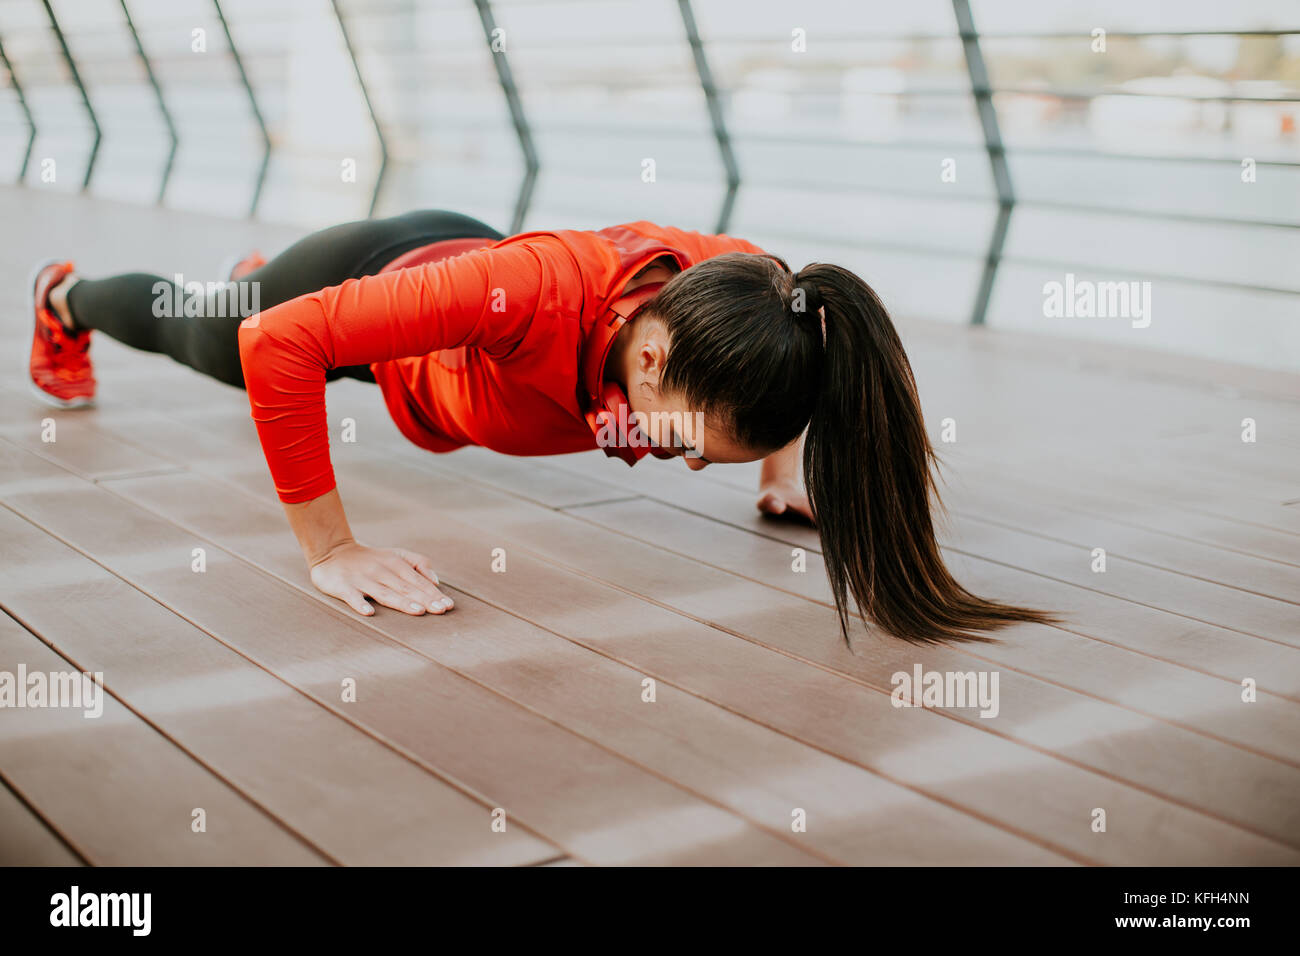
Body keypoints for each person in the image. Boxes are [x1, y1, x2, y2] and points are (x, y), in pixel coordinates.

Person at [29, 209, 1053, 644]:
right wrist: (331, 547)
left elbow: (794, 349)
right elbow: (277, 349)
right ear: (650, 359)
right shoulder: (525, 294)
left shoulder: (745, 294)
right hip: (392, 289)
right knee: (210, 329)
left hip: (464, 313)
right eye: (694, 438)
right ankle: (64, 299)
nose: (685, 457)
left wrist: (779, 465)